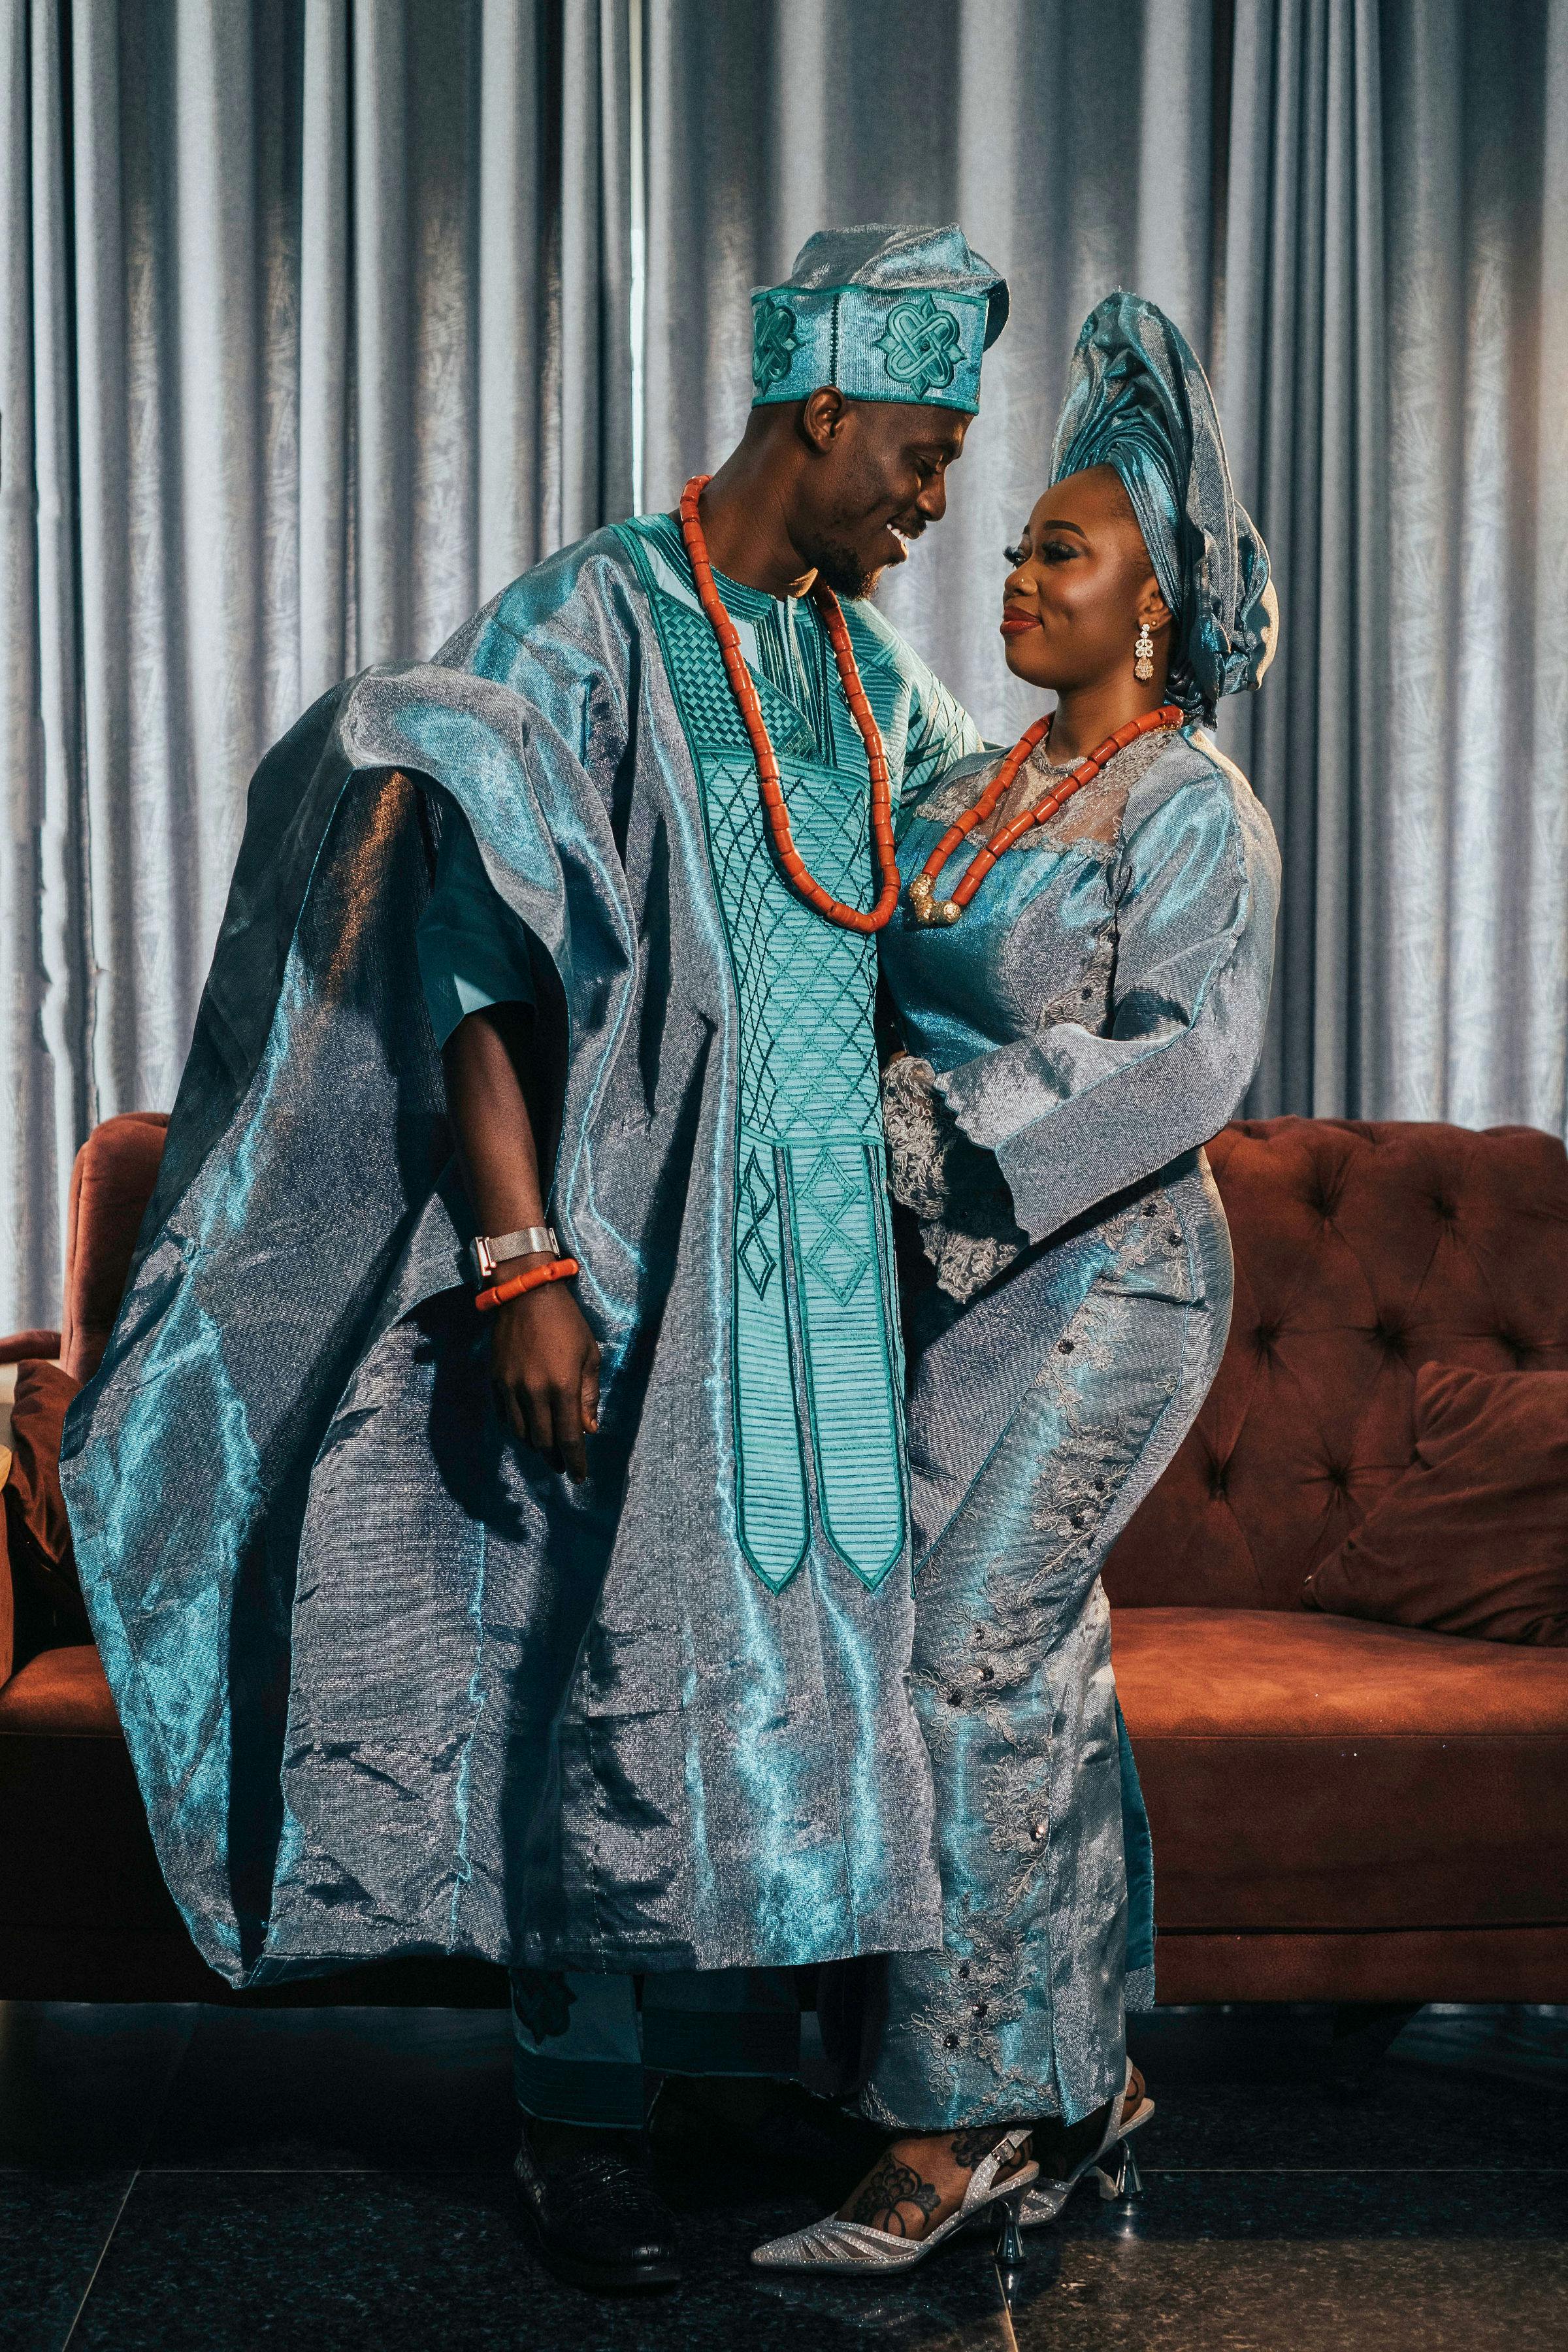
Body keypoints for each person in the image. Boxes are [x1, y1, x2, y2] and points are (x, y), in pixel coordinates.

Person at [59, 224, 1008, 2294]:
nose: (938, 502)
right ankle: (582, 2112)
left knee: (794, 1661)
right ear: (820, 408)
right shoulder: (587, 620)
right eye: (923, 454)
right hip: (628, 1244)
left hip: (824, 1271)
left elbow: (974, 889)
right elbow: (463, 956)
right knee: (610, 1655)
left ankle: (736, 2067)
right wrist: (519, 1257)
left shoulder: (871, 670)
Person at [753, 291, 1281, 2274]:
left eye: (1061, 548)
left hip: (1117, 1287)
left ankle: (959, 2121)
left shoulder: (1195, 813)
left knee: (967, 1655)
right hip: (965, 1296)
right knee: (1024, 1663)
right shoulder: (980, 788)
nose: (1019, 573)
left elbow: (1178, 1059)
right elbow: (853, 926)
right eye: (1021, 545)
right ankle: (1082, 2078)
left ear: (1154, 600)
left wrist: (936, 1131)